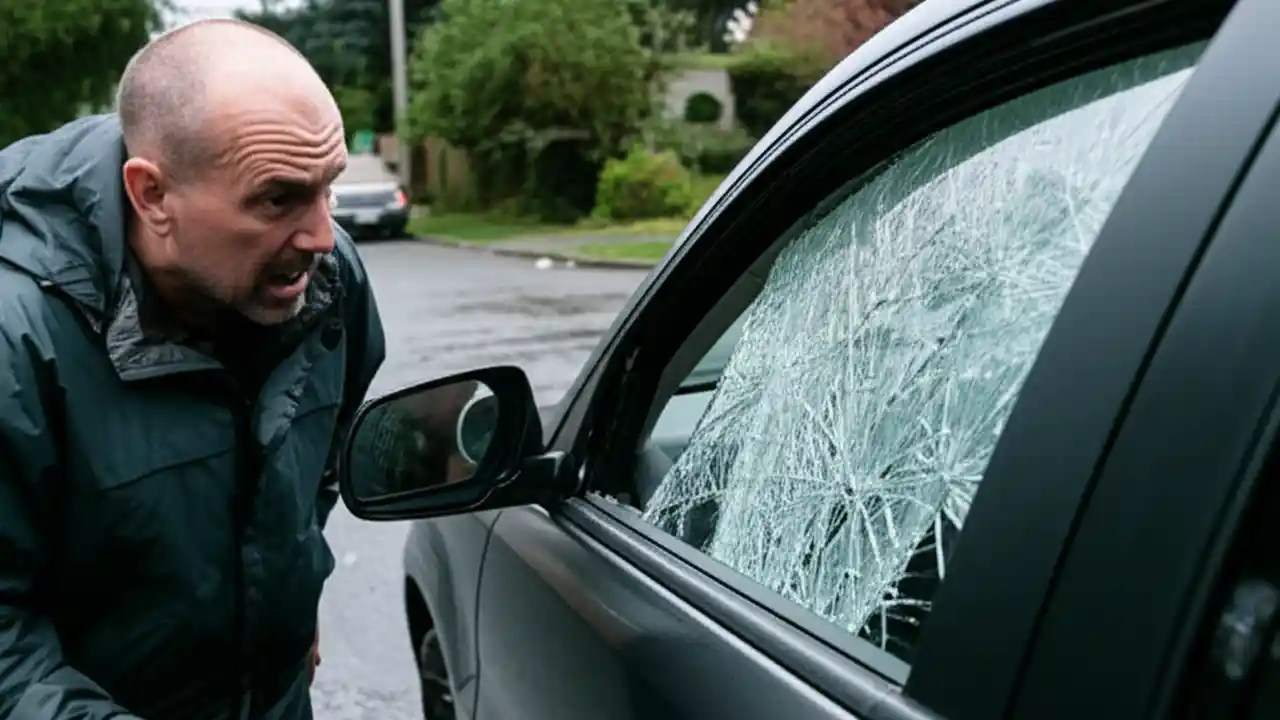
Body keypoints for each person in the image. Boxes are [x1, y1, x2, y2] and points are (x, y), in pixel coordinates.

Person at [0, 18, 385, 720]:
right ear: (151, 195)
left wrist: (286, 593)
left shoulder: (330, 284)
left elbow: (317, 466)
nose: (322, 235)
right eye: (278, 197)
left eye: (328, 186)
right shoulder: (17, 342)